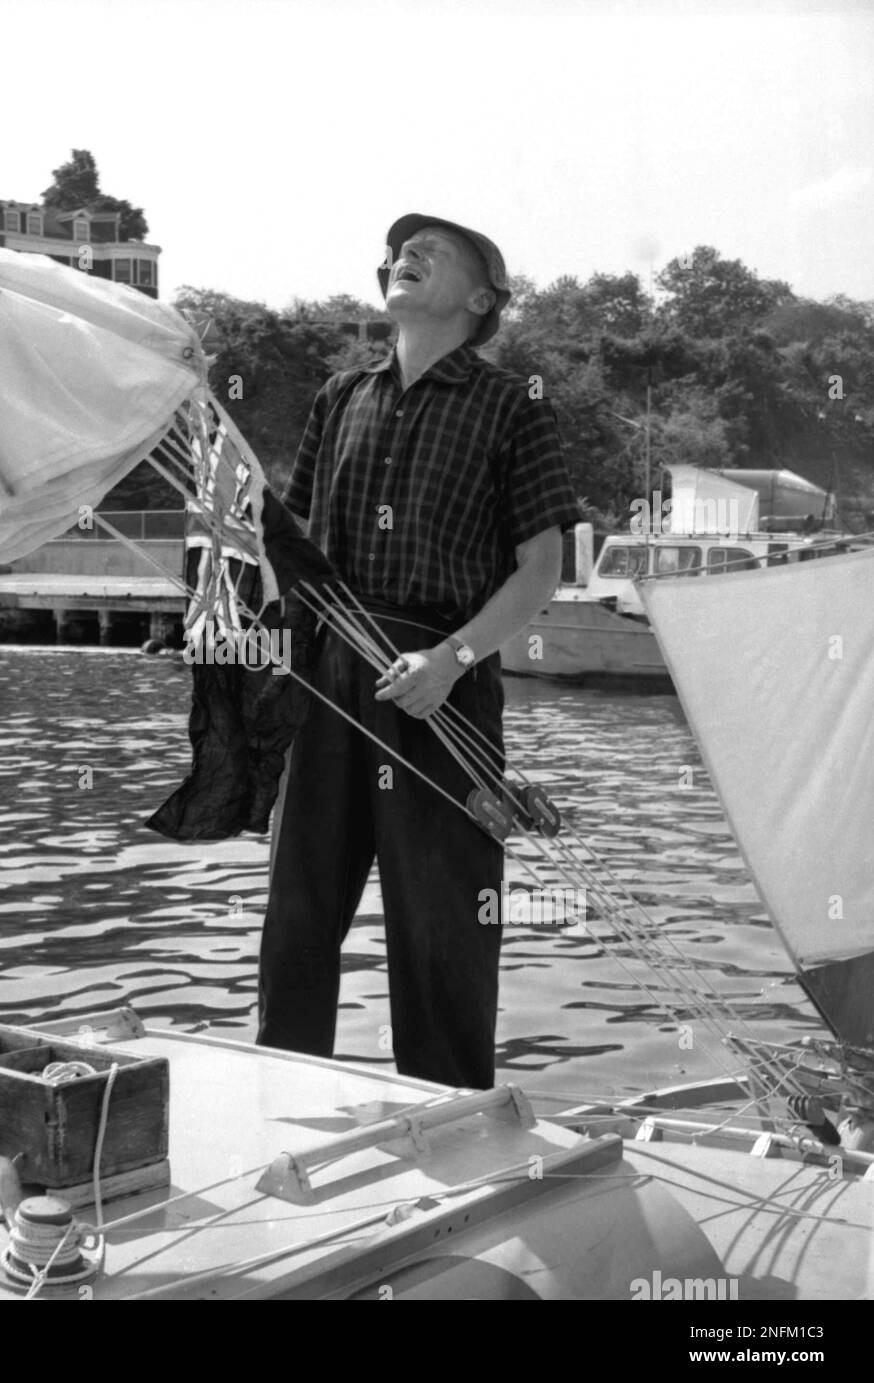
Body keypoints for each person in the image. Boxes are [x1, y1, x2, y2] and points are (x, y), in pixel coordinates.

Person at [255, 214, 583, 1089]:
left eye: (436, 249)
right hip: (329, 672)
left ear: (480, 300)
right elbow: (295, 551)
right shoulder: (339, 397)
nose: (410, 253)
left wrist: (455, 661)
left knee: (443, 922)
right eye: (403, 248)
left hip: (443, 678)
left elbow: (542, 567)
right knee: (298, 909)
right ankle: (281, 1099)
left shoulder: (513, 407)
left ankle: (450, 1114)